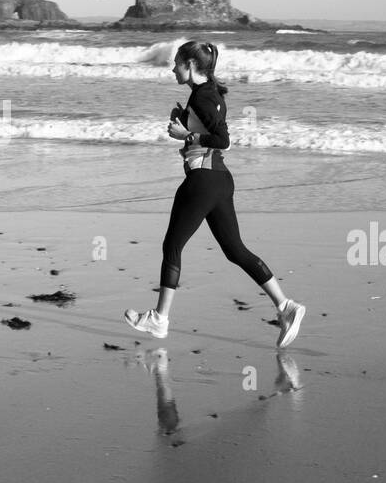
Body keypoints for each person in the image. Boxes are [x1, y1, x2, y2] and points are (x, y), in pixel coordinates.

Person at [124, 40, 305, 346]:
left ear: (191, 66)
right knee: (235, 250)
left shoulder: (204, 97)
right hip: (220, 180)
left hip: (204, 181)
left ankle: (159, 319)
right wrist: (185, 121)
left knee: (172, 245)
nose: (172, 68)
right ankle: (286, 307)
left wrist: (187, 133)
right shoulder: (208, 94)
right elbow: (210, 133)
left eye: (177, 63)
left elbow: (222, 139)